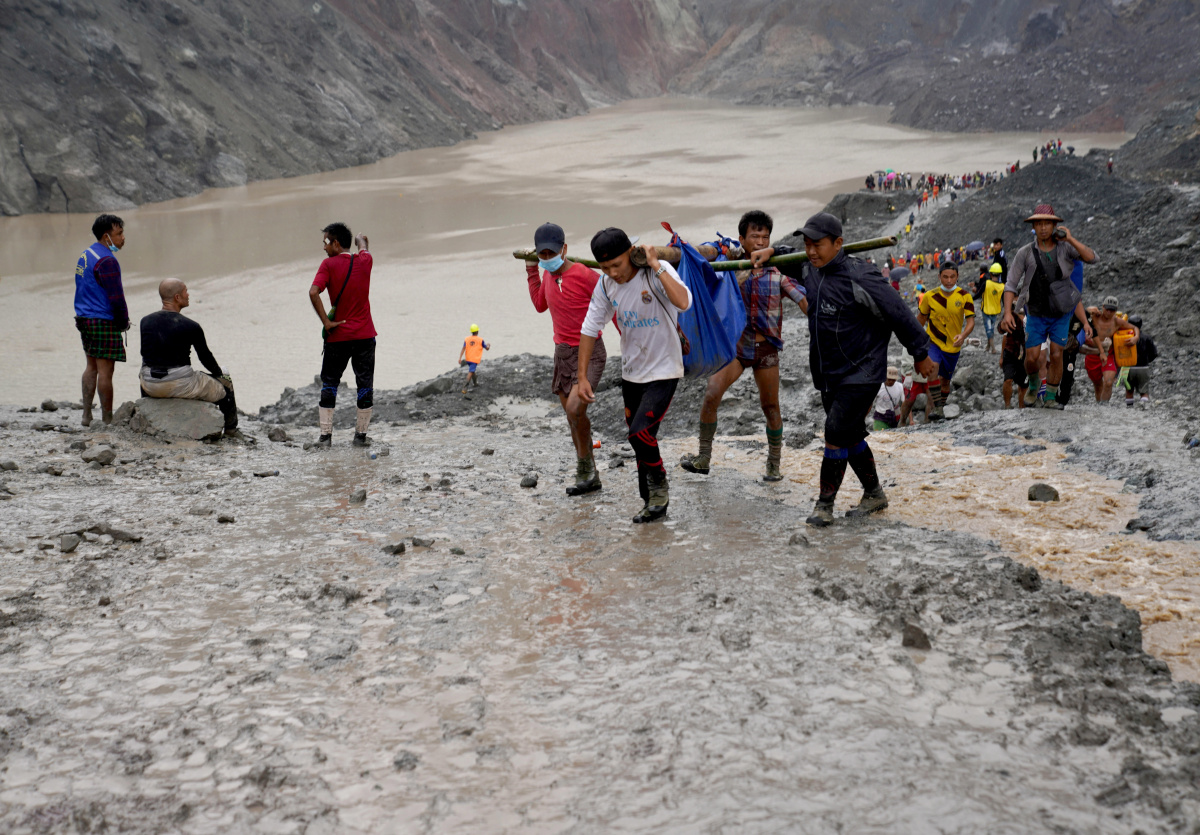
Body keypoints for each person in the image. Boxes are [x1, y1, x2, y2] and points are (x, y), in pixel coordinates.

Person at [769, 213, 933, 527]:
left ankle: (824, 506)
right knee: (850, 434)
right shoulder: (810, 269)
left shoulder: (862, 276)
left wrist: (920, 353)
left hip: (862, 370)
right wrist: (771, 252)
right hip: (828, 372)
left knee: (834, 432)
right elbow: (789, 259)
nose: (810, 251)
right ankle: (874, 494)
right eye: (807, 244)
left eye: (817, 244)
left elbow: (898, 312)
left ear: (838, 243)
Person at [679, 210, 806, 482]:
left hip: (766, 351)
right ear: (742, 239)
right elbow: (705, 283)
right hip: (736, 350)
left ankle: (773, 464)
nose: (760, 241)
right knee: (712, 394)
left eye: (765, 237)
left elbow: (804, 301)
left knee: (770, 407)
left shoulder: (777, 272)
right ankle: (703, 458)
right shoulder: (729, 269)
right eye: (754, 236)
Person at [577, 229, 692, 524]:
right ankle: (650, 503)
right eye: (605, 268)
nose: (613, 273)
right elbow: (590, 327)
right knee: (643, 440)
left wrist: (655, 265)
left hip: (664, 369)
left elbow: (683, 302)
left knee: (638, 434)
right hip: (631, 373)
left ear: (630, 252)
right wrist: (582, 376)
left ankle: (659, 486)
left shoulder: (656, 272)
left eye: (616, 265)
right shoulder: (606, 285)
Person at [526, 222, 608, 496]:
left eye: (552, 252)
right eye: (542, 254)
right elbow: (540, 305)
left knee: (575, 409)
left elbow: (613, 299)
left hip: (590, 353)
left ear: (564, 249)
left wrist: (631, 338)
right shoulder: (547, 275)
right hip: (562, 355)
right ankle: (588, 473)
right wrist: (531, 270)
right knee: (573, 418)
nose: (547, 258)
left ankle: (585, 469)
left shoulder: (584, 274)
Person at [1000, 204, 1095, 410]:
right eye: (1039, 224)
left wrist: (1070, 239)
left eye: (1047, 223)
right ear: (1033, 227)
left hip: (1060, 313)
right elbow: (1011, 284)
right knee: (1032, 357)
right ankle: (1034, 384)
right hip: (1036, 313)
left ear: (1054, 226)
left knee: (1057, 353)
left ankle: (1051, 396)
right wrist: (1008, 312)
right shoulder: (1025, 253)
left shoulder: (1066, 248)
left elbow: (1092, 258)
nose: (1043, 228)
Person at [139, 279, 243, 439]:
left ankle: (146, 404)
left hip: (150, 386)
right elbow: (206, 359)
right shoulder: (191, 326)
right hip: (180, 384)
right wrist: (219, 375)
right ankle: (231, 430)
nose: (188, 295)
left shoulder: (145, 321)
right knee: (226, 383)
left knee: (145, 368)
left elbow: (145, 354)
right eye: (186, 291)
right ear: (177, 297)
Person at [309, 222, 375, 448]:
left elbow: (313, 292)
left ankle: (325, 438)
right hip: (365, 335)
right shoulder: (365, 261)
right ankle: (360, 437)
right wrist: (360, 240)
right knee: (364, 384)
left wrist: (326, 322)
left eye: (326, 243)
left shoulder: (328, 265)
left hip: (338, 337)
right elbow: (363, 245)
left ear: (336, 243)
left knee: (330, 384)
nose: (324, 247)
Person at [74, 214, 130, 427]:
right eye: (119, 233)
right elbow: (116, 297)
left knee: (91, 366)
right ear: (107, 236)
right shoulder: (107, 261)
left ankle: (86, 415)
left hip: (84, 318)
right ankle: (107, 419)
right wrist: (123, 321)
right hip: (102, 320)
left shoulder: (86, 254)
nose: (123, 238)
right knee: (106, 372)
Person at [917, 263, 975, 421]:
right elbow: (920, 319)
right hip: (933, 342)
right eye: (945, 277)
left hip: (953, 346)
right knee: (933, 368)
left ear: (957, 277)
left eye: (952, 277)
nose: (949, 281)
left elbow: (971, 321)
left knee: (945, 381)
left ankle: (941, 406)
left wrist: (963, 335)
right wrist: (914, 338)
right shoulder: (929, 296)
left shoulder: (964, 296)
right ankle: (937, 408)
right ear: (939, 277)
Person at [1084, 296, 1136, 402]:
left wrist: (1136, 337)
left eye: (1112, 310)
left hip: (1108, 355)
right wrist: (1089, 309)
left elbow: (1134, 327)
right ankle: (1099, 405)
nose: (1108, 312)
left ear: (1116, 310)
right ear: (1103, 307)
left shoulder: (1117, 322)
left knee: (1108, 382)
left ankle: (1104, 405)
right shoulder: (1094, 317)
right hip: (1092, 354)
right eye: (1107, 309)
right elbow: (1080, 314)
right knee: (1097, 383)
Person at [1121, 314, 1157, 405]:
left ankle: (1129, 408)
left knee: (1129, 390)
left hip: (1127, 367)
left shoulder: (1123, 337)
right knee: (1144, 390)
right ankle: (1144, 407)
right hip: (1143, 367)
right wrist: (1147, 361)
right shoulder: (1147, 337)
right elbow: (1154, 353)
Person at [1000, 309, 1029, 409]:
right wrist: (1001, 357)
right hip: (1010, 353)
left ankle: (1022, 407)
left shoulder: (1031, 318)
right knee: (1008, 379)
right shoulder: (1010, 317)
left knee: (1023, 385)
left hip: (1025, 355)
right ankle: (1007, 406)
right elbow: (1003, 335)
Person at [980, 263, 1005, 353]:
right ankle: (988, 346)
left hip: (986, 310)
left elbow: (979, 293)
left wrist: (970, 299)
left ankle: (993, 348)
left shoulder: (986, 283)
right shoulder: (1002, 286)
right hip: (995, 311)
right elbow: (1003, 300)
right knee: (991, 328)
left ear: (990, 274)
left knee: (988, 329)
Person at [458, 325, 491, 393]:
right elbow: (487, 348)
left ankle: (475, 383)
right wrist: (488, 345)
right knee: (471, 372)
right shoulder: (480, 340)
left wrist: (460, 358)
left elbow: (463, 348)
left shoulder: (467, 339)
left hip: (468, 358)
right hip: (474, 359)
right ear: (477, 331)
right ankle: (464, 387)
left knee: (473, 371)